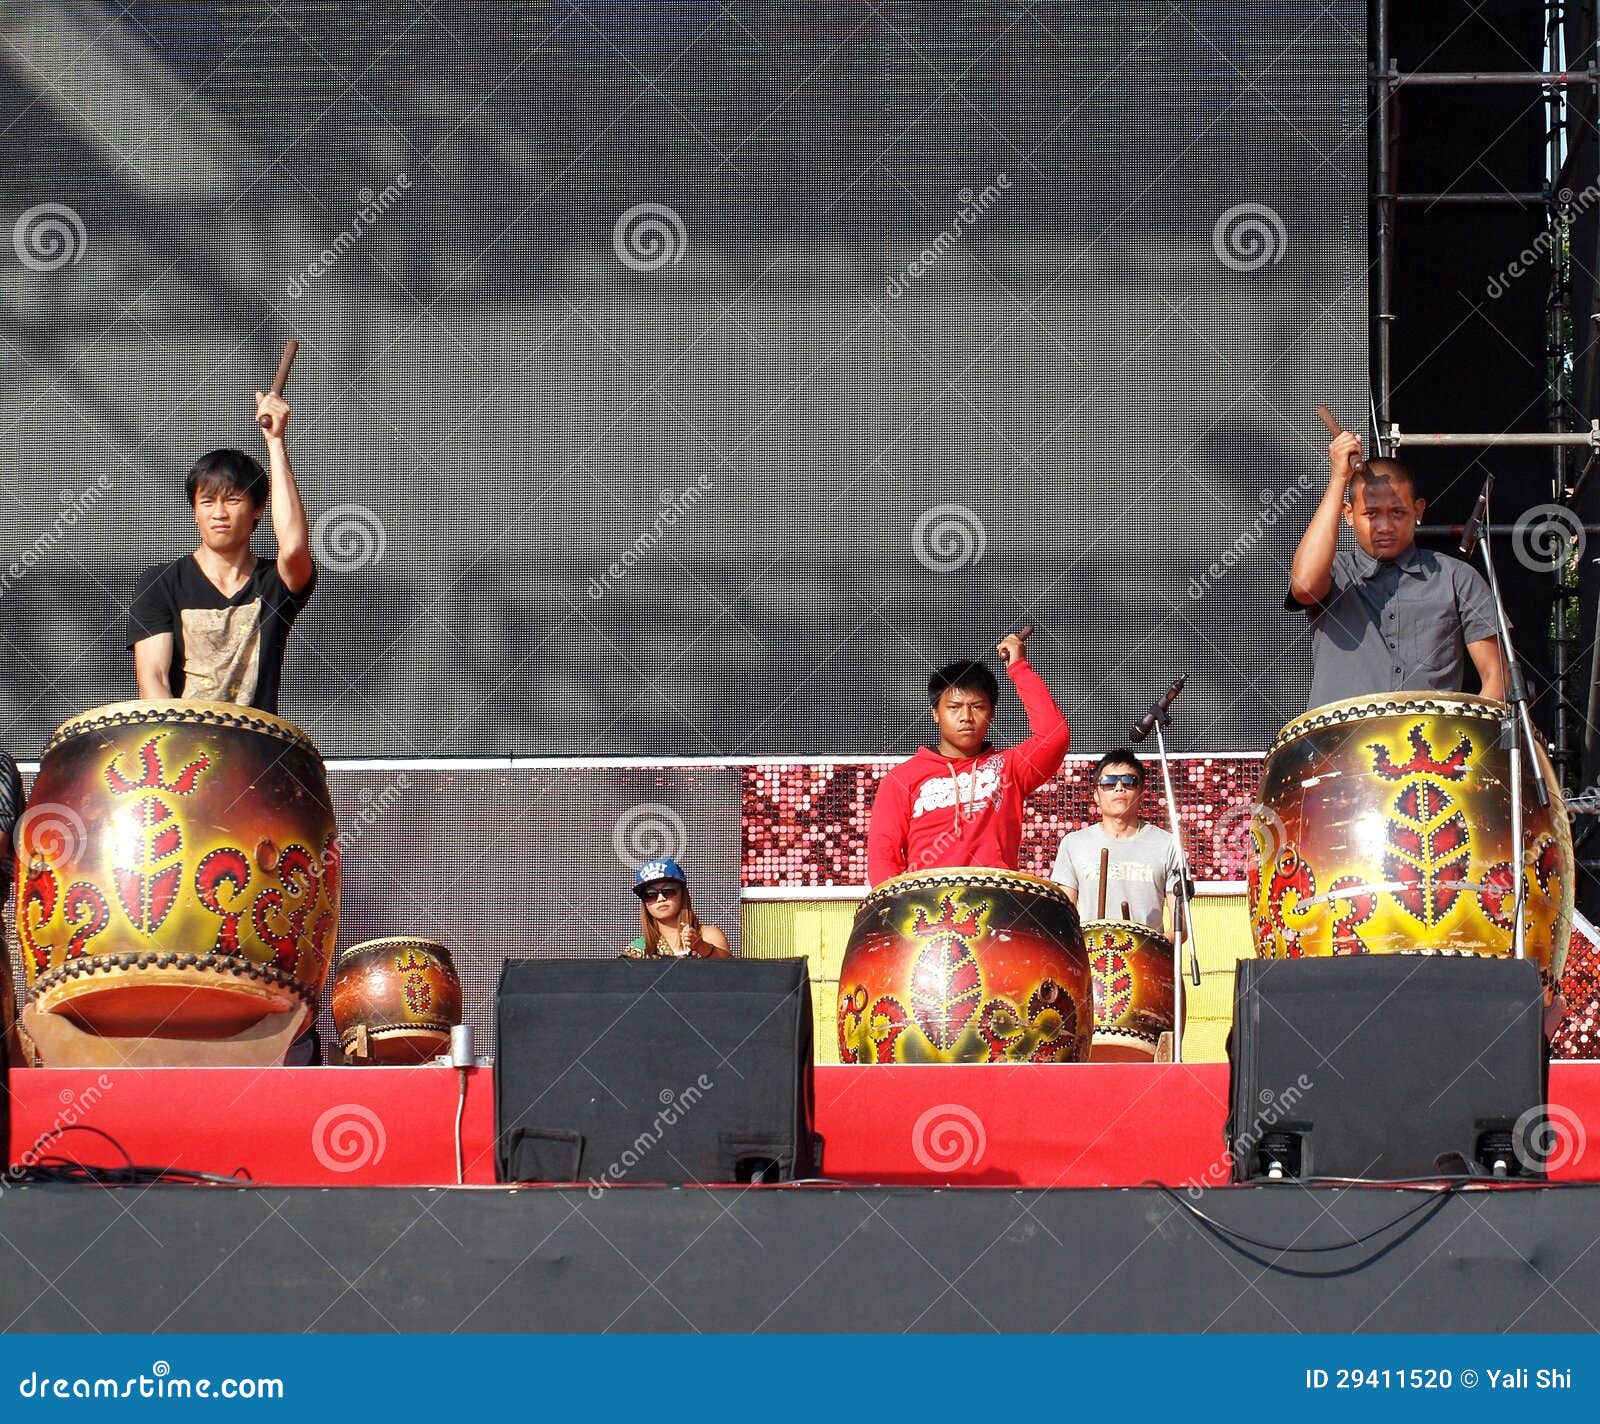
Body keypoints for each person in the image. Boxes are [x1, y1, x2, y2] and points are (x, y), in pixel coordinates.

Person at [127, 387, 315, 715]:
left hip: (256, 751)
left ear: (258, 510)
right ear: (194, 509)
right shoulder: (162, 582)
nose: (219, 513)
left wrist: (275, 442)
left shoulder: (273, 583)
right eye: (207, 501)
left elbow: (295, 546)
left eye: (232, 500)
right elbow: (153, 679)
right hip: (183, 751)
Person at [1286, 431, 1503, 711]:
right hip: (1339, 750)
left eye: (1397, 513)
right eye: (1371, 514)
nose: (1385, 526)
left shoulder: (1456, 578)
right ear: (1349, 514)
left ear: (1419, 510)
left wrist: (1464, 744)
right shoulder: (1336, 572)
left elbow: (1497, 676)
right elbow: (1303, 586)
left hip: (1431, 749)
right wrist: (1339, 477)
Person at [866, 629, 1070, 887]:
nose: (966, 717)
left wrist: (1019, 667)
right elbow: (883, 859)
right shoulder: (901, 779)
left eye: (977, 707)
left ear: (992, 714)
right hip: (925, 915)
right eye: (954, 707)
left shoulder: (1009, 768)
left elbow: (1054, 736)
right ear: (935, 714)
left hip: (997, 910)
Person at [1051, 749, 1180, 933]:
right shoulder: (1073, 844)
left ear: (1142, 792)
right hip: (1091, 955)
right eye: (1109, 783)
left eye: (1129, 781)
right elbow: (1064, 917)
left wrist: (1152, 951)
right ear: (1096, 795)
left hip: (1148, 957)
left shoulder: (1168, 844)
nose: (1119, 787)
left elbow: (1179, 926)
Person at [622, 859, 731, 959]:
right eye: (651, 894)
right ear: (644, 902)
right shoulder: (637, 950)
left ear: (683, 894)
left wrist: (701, 946)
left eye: (668, 890)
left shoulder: (708, 935)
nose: (661, 898)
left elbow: (730, 973)